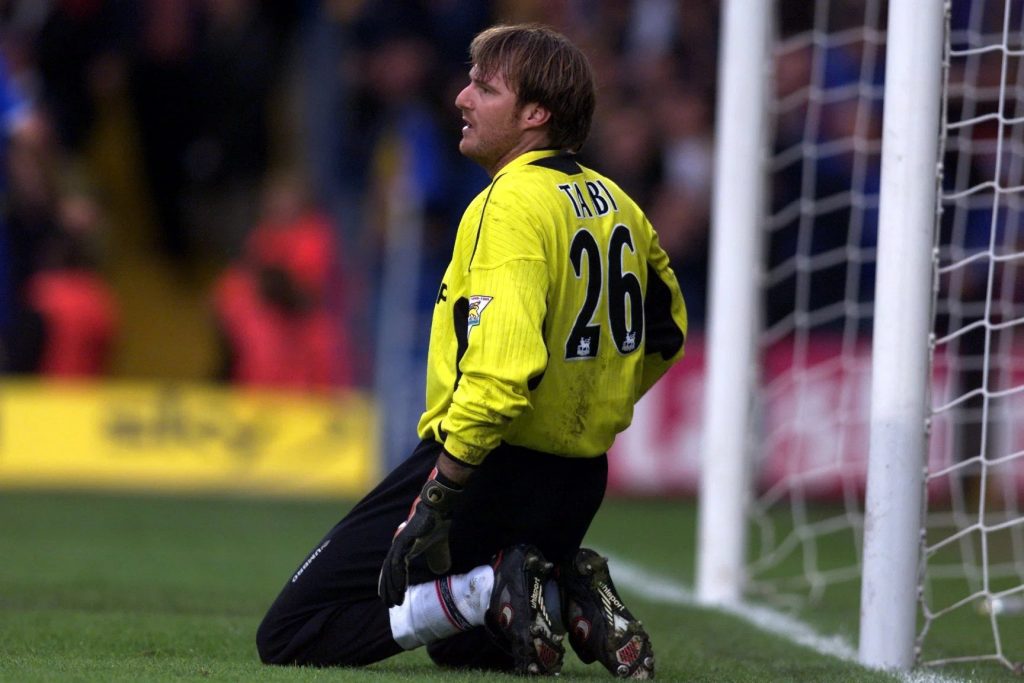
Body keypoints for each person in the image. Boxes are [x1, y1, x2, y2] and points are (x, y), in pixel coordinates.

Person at [256, 24, 687, 678]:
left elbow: (500, 373)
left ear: (535, 115)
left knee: (294, 630)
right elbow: (668, 330)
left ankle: (497, 585)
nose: (461, 97)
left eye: (484, 88)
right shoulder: (617, 202)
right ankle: (562, 582)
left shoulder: (508, 203)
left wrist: (440, 493)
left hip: (487, 469)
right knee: (462, 647)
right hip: (576, 482)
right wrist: (591, 402)